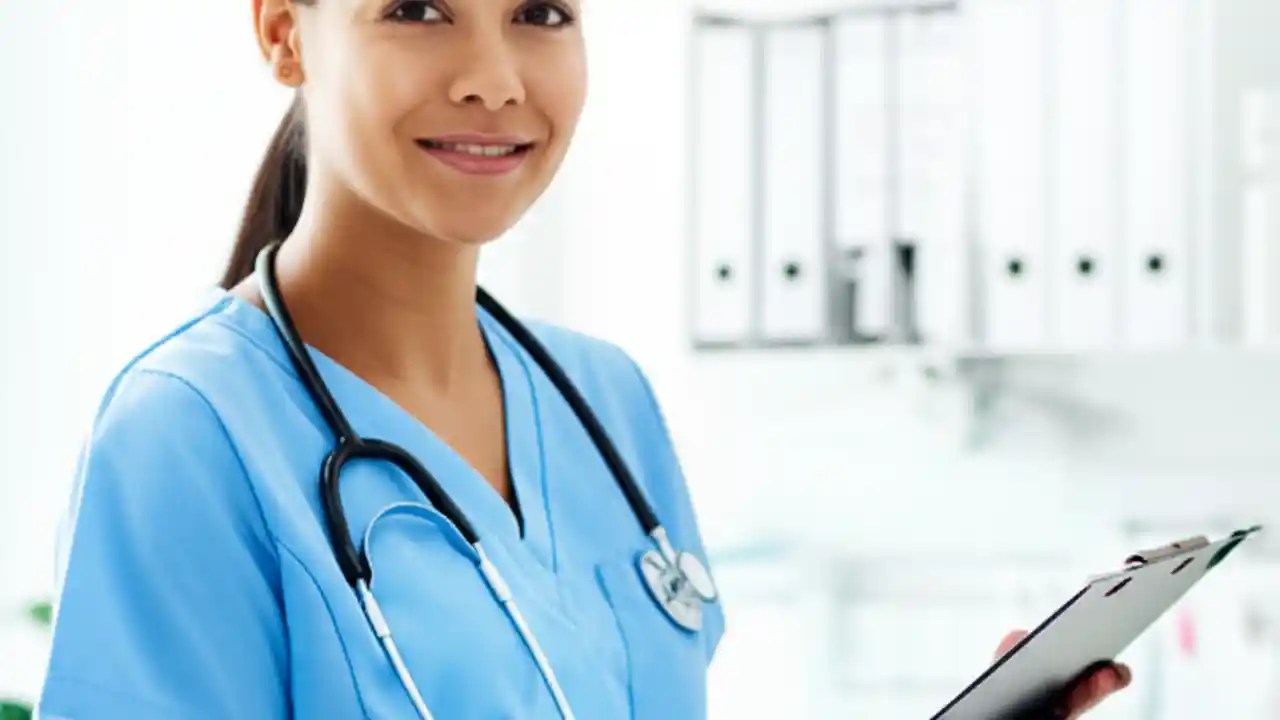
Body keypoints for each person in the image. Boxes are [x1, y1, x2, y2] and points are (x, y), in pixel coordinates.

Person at [36, 1, 1130, 717]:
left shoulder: (604, 403)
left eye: (540, 14)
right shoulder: (188, 432)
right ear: (283, 31)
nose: (494, 77)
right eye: (418, 10)